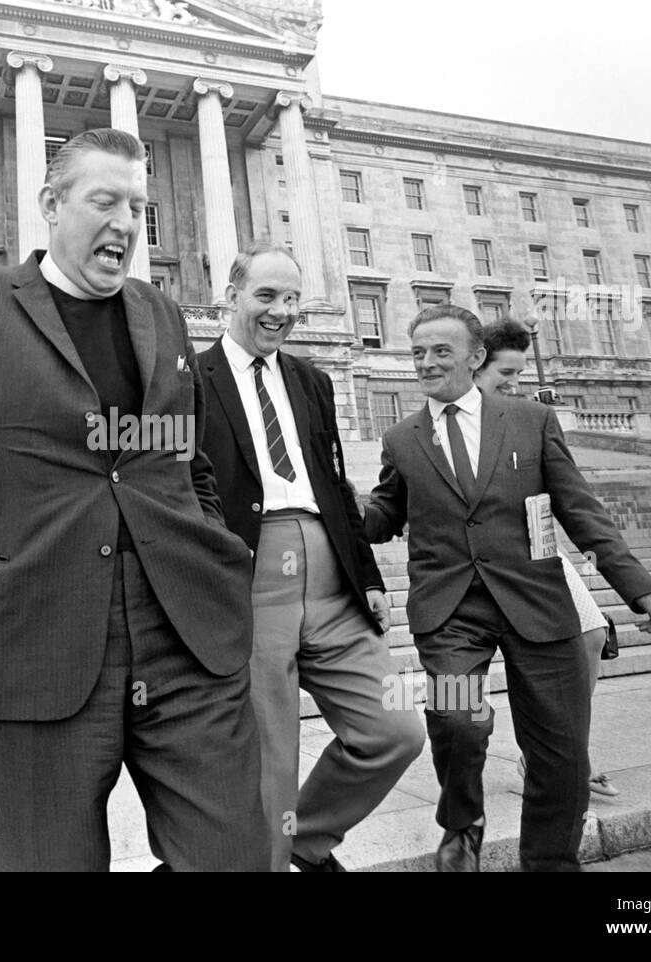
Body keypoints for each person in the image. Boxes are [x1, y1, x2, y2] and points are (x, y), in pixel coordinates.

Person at [0, 128, 268, 872]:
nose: (125, 224)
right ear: (51, 205)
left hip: (185, 639)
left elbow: (192, 462)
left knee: (235, 857)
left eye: (138, 207)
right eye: (104, 201)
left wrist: (219, 553)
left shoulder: (164, 314)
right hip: (29, 646)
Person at [363, 305, 651, 871]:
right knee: (457, 719)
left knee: (560, 752)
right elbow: (382, 515)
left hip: (536, 601)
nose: (427, 362)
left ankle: (551, 862)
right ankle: (463, 825)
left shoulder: (530, 421)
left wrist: (638, 588)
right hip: (451, 610)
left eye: (441, 350)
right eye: (418, 352)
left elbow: (581, 512)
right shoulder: (401, 438)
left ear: (475, 357)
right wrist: (327, 495)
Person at [197, 243, 424, 872]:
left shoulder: (312, 380)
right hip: (250, 578)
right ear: (232, 296)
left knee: (396, 730)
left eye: (292, 298)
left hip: (331, 578)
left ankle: (307, 838)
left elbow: (334, 485)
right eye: (267, 296)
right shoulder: (188, 378)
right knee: (270, 761)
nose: (282, 311)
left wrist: (368, 575)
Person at [474, 318, 620, 797]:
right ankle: (552, 754)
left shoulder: (531, 418)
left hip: (541, 546)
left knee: (592, 635)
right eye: (506, 374)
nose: (516, 384)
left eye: (520, 374)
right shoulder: (449, 421)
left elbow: (571, 496)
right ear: (476, 365)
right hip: (486, 562)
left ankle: (559, 749)